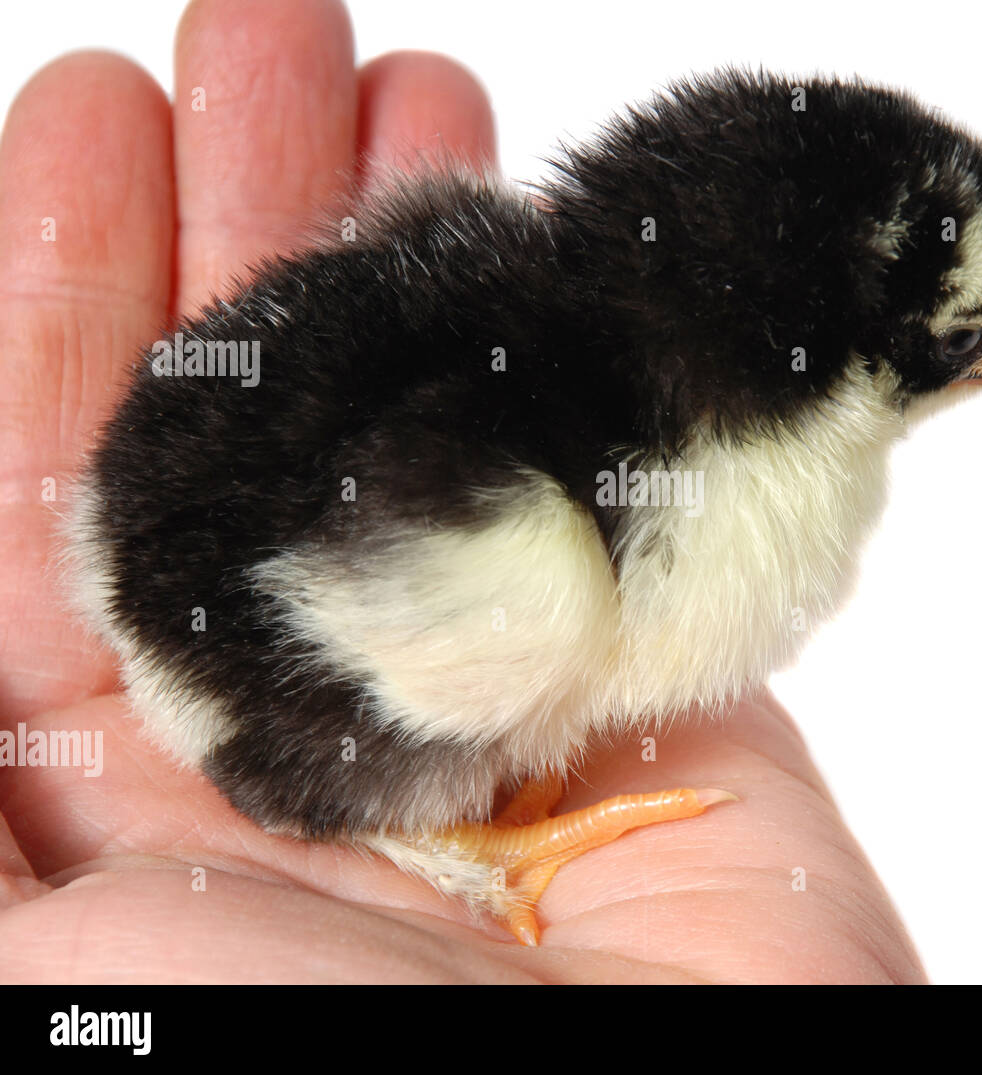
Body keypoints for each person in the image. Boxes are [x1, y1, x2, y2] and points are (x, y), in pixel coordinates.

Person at [0, 0, 923, 984]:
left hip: (197, 472)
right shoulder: (513, 545)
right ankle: (414, 835)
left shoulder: (555, 335)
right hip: (200, 590)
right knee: (511, 597)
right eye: (959, 335)